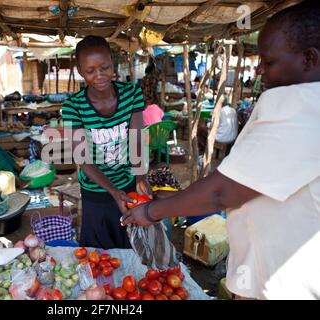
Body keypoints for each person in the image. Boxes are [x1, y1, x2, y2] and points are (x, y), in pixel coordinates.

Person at [123, 0, 320, 299]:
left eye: (269, 62)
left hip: (289, 284)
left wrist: (151, 211)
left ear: (309, 59)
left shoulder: (304, 108)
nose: (260, 73)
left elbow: (221, 192)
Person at [62, 35, 151, 249]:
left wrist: (140, 176)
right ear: (81, 71)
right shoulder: (73, 106)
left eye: (105, 67)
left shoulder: (131, 94)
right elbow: (82, 158)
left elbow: (137, 138)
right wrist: (112, 191)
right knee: (98, 253)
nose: (99, 75)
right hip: (95, 192)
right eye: (90, 71)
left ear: (113, 64)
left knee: (131, 246)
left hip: (129, 187)